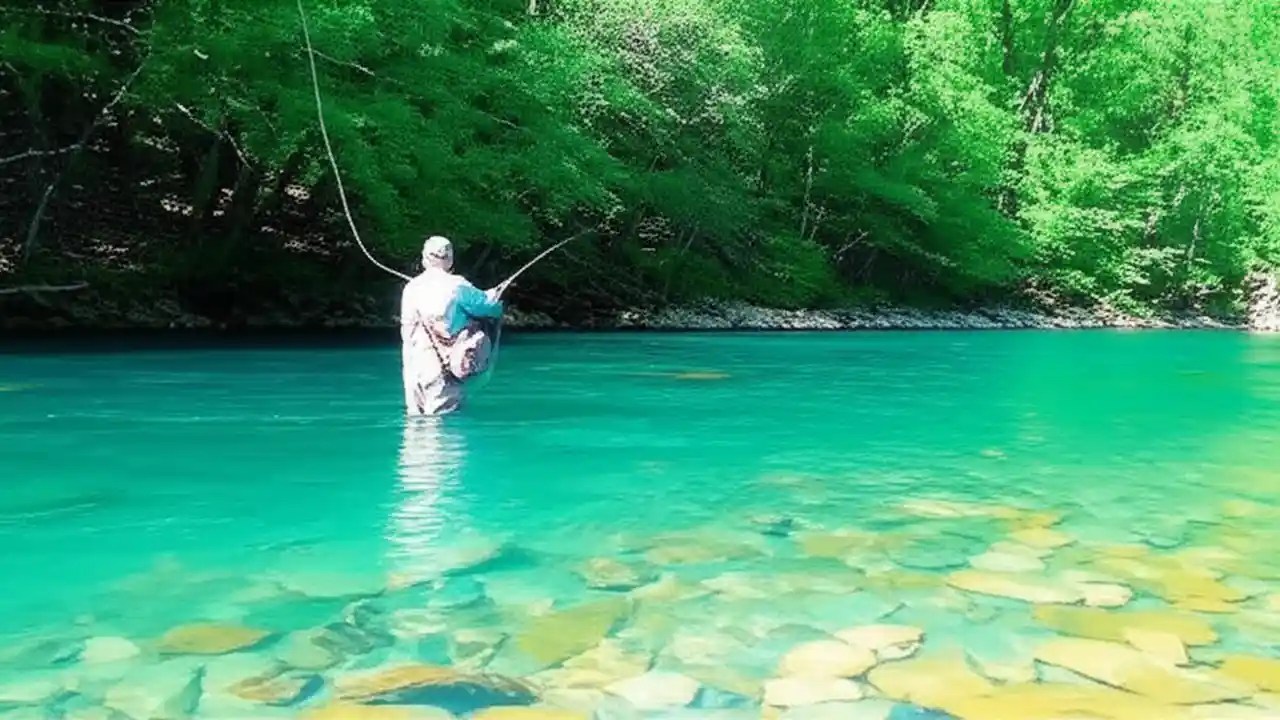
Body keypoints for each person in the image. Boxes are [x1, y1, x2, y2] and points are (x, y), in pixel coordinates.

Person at [400, 235, 504, 416]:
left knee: (416, 421)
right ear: (449, 260)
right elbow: (488, 308)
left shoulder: (411, 288)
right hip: (442, 368)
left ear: (425, 258)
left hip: (413, 367)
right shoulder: (458, 285)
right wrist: (494, 295)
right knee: (443, 424)